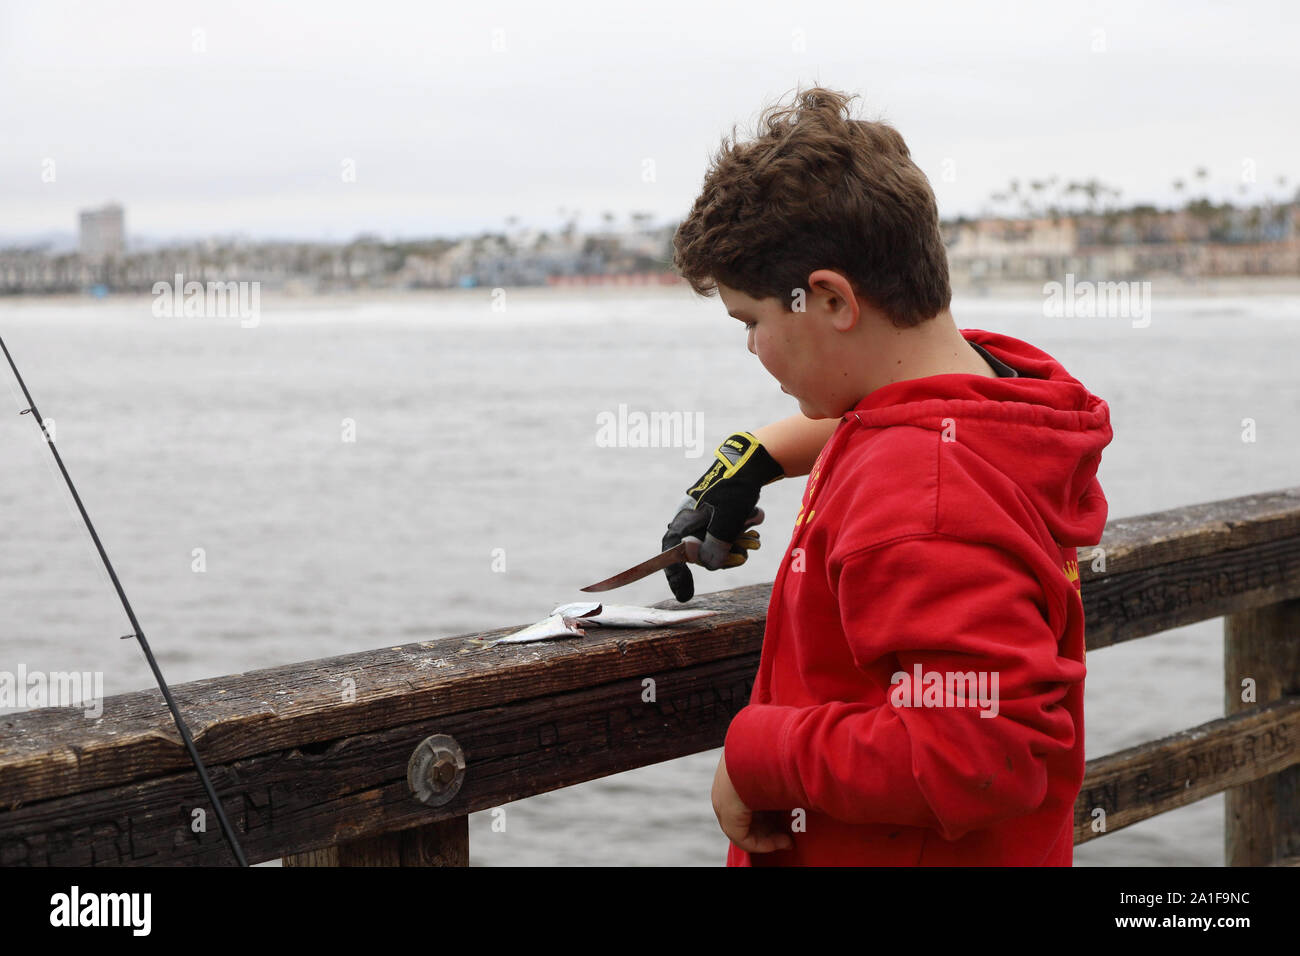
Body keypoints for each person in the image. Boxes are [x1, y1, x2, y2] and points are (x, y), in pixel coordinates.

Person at [663, 86, 1113, 865]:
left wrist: (757, 752)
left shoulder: (920, 489)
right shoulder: (1002, 394)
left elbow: (980, 754)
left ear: (831, 298)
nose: (749, 349)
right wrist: (757, 456)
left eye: (751, 322)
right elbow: (901, 415)